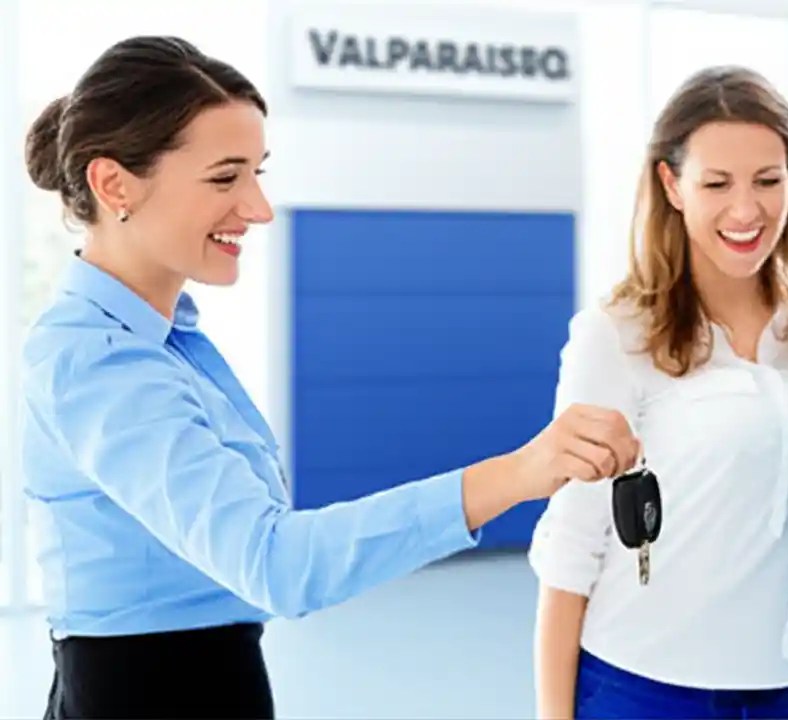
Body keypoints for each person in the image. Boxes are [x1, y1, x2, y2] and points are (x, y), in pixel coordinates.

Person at [21, 36, 639, 720]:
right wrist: (518, 474)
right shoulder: (98, 360)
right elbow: (277, 564)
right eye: (226, 178)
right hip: (146, 693)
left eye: (258, 172)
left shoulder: (169, 342)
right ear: (114, 185)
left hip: (204, 676)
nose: (257, 208)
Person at [527, 66, 788, 720]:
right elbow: (571, 553)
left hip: (783, 690)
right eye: (716, 183)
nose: (746, 210)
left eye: (768, 180)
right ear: (671, 184)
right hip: (638, 689)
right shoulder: (616, 339)